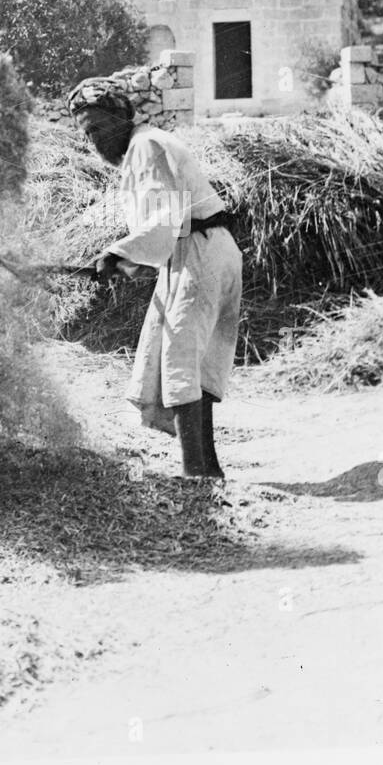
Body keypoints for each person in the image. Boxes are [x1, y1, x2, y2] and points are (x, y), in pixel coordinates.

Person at [67, 76, 242, 479]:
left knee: (180, 360)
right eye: (86, 133)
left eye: (96, 127)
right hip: (207, 248)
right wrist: (128, 261)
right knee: (191, 364)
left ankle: (193, 473)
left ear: (120, 115)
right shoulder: (145, 146)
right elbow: (164, 228)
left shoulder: (146, 146)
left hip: (198, 250)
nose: (93, 141)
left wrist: (117, 252)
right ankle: (208, 469)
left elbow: (166, 219)